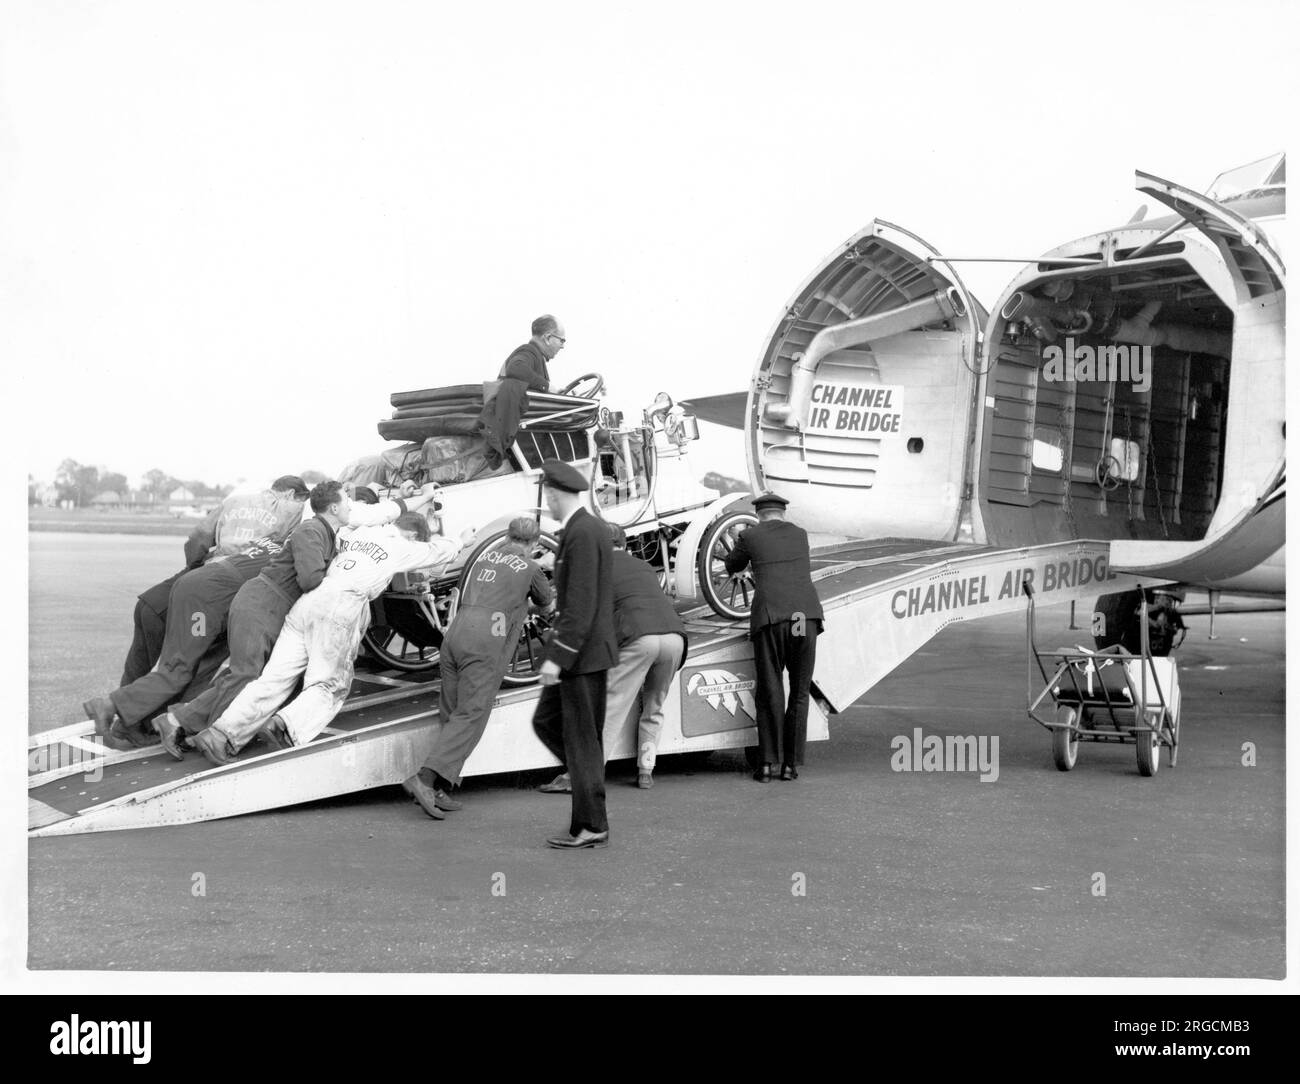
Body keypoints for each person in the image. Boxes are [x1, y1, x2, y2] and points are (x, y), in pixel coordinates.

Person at [155, 480, 423, 759]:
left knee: (248, 674)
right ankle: (198, 729)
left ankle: (180, 721)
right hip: (263, 604)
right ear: (334, 507)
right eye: (348, 503)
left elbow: (372, 519)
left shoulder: (330, 531)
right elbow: (309, 579)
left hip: (272, 607)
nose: (352, 510)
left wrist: (403, 501)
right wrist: (338, 580)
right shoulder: (312, 530)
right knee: (246, 674)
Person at [400, 517, 554, 820]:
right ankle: (425, 779)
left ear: (508, 537)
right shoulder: (533, 568)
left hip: (455, 634)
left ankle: (441, 786)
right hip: (486, 641)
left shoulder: (484, 558)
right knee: (471, 713)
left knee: (453, 711)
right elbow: (546, 605)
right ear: (534, 543)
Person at [82, 534, 292, 750]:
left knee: (198, 667)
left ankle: (138, 724)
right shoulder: (306, 551)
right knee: (178, 669)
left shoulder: (281, 539)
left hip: (202, 589)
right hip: (207, 600)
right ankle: (109, 705)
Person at [117, 475, 309, 686]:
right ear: (291, 494)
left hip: (179, 589)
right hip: (225, 591)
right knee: (200, 657)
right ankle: (173, 714)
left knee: (151, 669)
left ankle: (122, 710)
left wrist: (192, 568)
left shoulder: (234, 501)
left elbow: (198, 538)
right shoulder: (293, 510)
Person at [539, 523, 686, 793]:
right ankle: (645, 771)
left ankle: (580, 778)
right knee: (654, 705)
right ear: (624, 543)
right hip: (674, 637)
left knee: (609, 710)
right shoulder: (643, 566)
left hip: (639, 638)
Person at [529, 459, 618, 848]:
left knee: (580, 740)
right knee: (548, 722)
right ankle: (588, 782)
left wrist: (557, 657)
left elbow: (579, 605)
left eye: (546, 494)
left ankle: (591, 822)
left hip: (581, 655)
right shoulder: (581, 529)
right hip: (583, 652)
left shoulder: (583, 532)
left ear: (553, 492)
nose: (545, 500)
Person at [723, 492, 824, 782]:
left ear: (759, 513)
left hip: (771, 619)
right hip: (802, 619)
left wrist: (736, 538)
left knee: (770, 691)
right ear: (782, 512)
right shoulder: (801, 535)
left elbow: (732, 565)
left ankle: (766, 764)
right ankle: (790, 765)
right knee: (799, 691)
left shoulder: (750, 535)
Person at [478, 315, 567, 468]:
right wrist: (547, 386)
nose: (562, 346)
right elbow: (516, 367)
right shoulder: (529, 351)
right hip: (525, 441)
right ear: (547, 338)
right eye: (562, 340)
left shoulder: (535, 355)